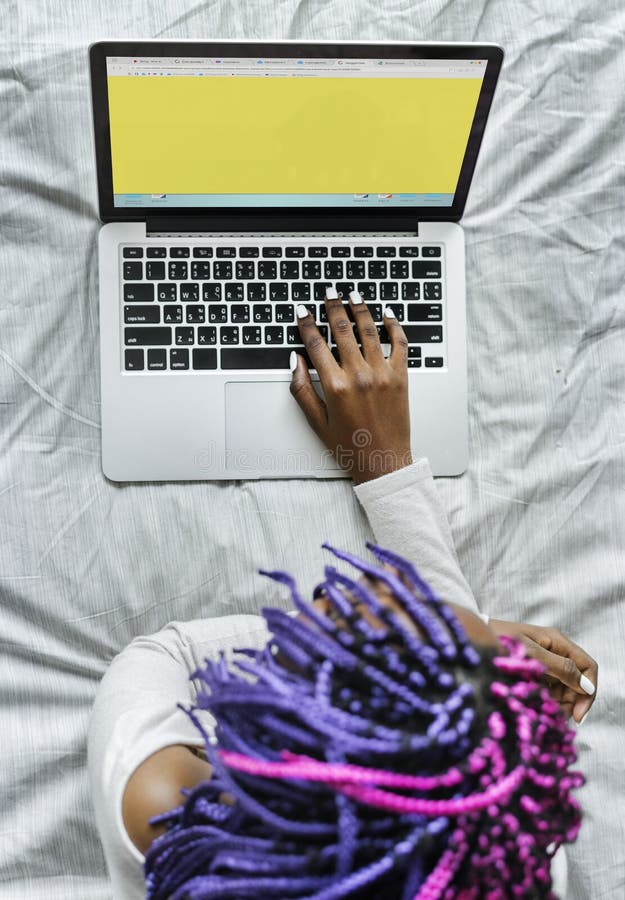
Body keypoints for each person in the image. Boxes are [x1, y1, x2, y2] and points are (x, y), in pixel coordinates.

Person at [88, 288, 597, 899]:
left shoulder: (166, 814)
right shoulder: (510, 855)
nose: (352, 585)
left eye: (346, 620)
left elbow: (163, 656)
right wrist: (460, 643)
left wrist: (458, 629)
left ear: (287, 724)